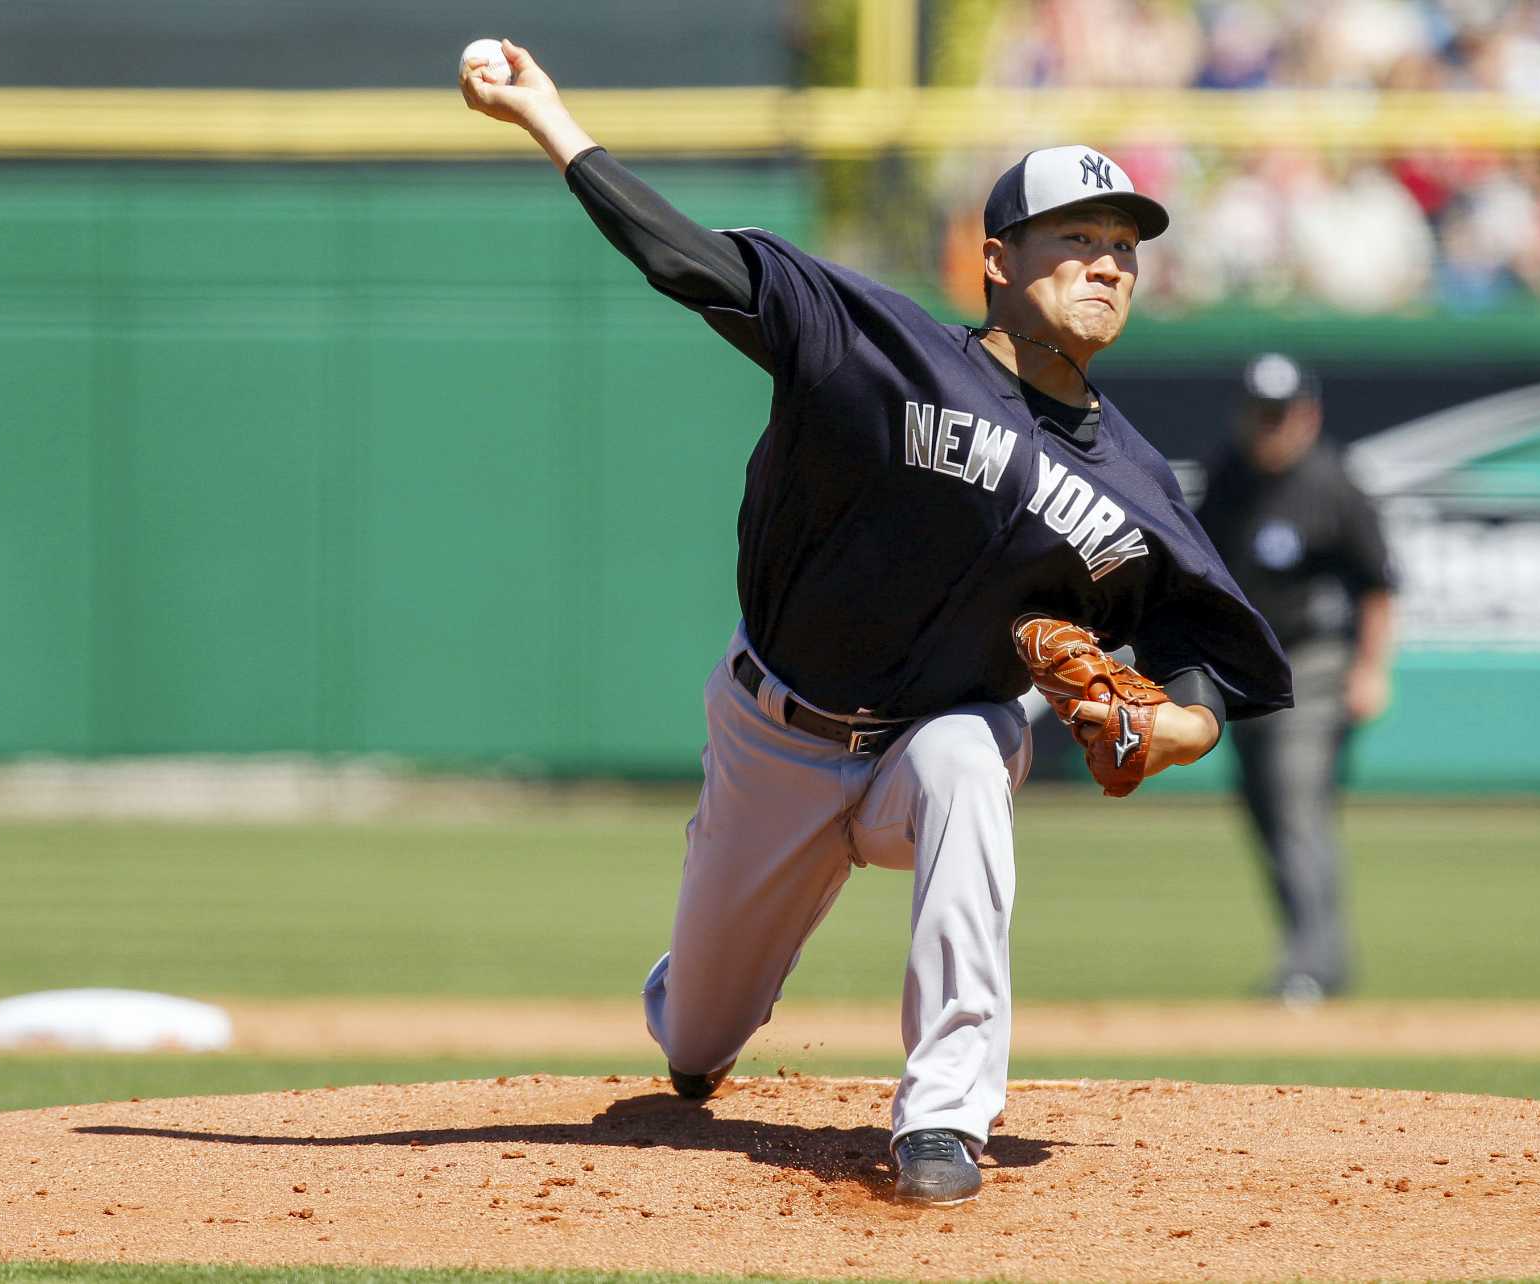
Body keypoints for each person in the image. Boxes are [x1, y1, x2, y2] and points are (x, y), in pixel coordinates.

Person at [459, 41, 1289, 1205]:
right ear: (995, 260)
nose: (1105, 266)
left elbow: (1218, 670)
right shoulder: (878, 350)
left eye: (1123, 250)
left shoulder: (1139, 490)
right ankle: (700, 997)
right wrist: (553, 123)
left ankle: (942, 1117)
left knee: (966, 750)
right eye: (1074, 239)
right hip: (776, 736)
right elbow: (687, 261)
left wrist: (1172, 735)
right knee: (694, 1043)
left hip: (927, 742)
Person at [1195, 354, 1397, 1004]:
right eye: (1260, 413)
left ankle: (1311, 963)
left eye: (1281, 415)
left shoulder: (1333, 483)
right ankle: (1316, 960)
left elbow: (1378, 586)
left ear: (1308, 415)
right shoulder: (1227, 478)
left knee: (1295, 801)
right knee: (1262, 808)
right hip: (1243, 672)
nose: (1269, 427)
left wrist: (1370, 668)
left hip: (1312, 666)